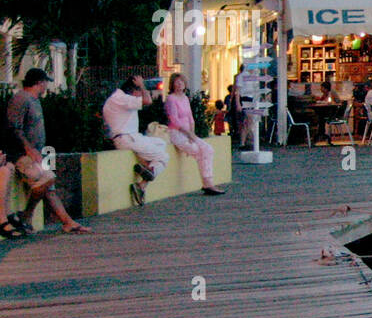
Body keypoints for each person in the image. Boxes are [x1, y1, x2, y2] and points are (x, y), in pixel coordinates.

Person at [5, 69, 91, 234]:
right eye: (45, 82)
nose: (46, 86)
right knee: (47, 180)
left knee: (49, 190)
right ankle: (26, 215)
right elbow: (13, 127)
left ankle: (68, 222)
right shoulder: (21, 99)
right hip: (22, 155)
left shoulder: (34, 100)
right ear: (39, 82)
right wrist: (28, 149)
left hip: (36, 153)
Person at [103, 75, 168, 206]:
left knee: (161, 143)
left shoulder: (118, 98)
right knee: (164, 157)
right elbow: (148, 101)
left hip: (130, 138)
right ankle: (142, 184)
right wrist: (142, 85)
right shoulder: (121, 99)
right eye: (139, 91)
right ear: (133, 91)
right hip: (126, 138)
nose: (141, 94)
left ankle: (147, 169)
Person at [164, 73, 225, 195]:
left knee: (208, 149)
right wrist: (188, 134)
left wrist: (192, 133)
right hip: (177, 133)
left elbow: (190, 117)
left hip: (189, 133)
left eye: (181, 81)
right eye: (177, 82)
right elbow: (174, 120)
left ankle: (208, 182)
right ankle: (207, 183)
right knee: (198, 151)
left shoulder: (185, 98)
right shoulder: (171, 99)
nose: (179, 84)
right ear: (172, 84)